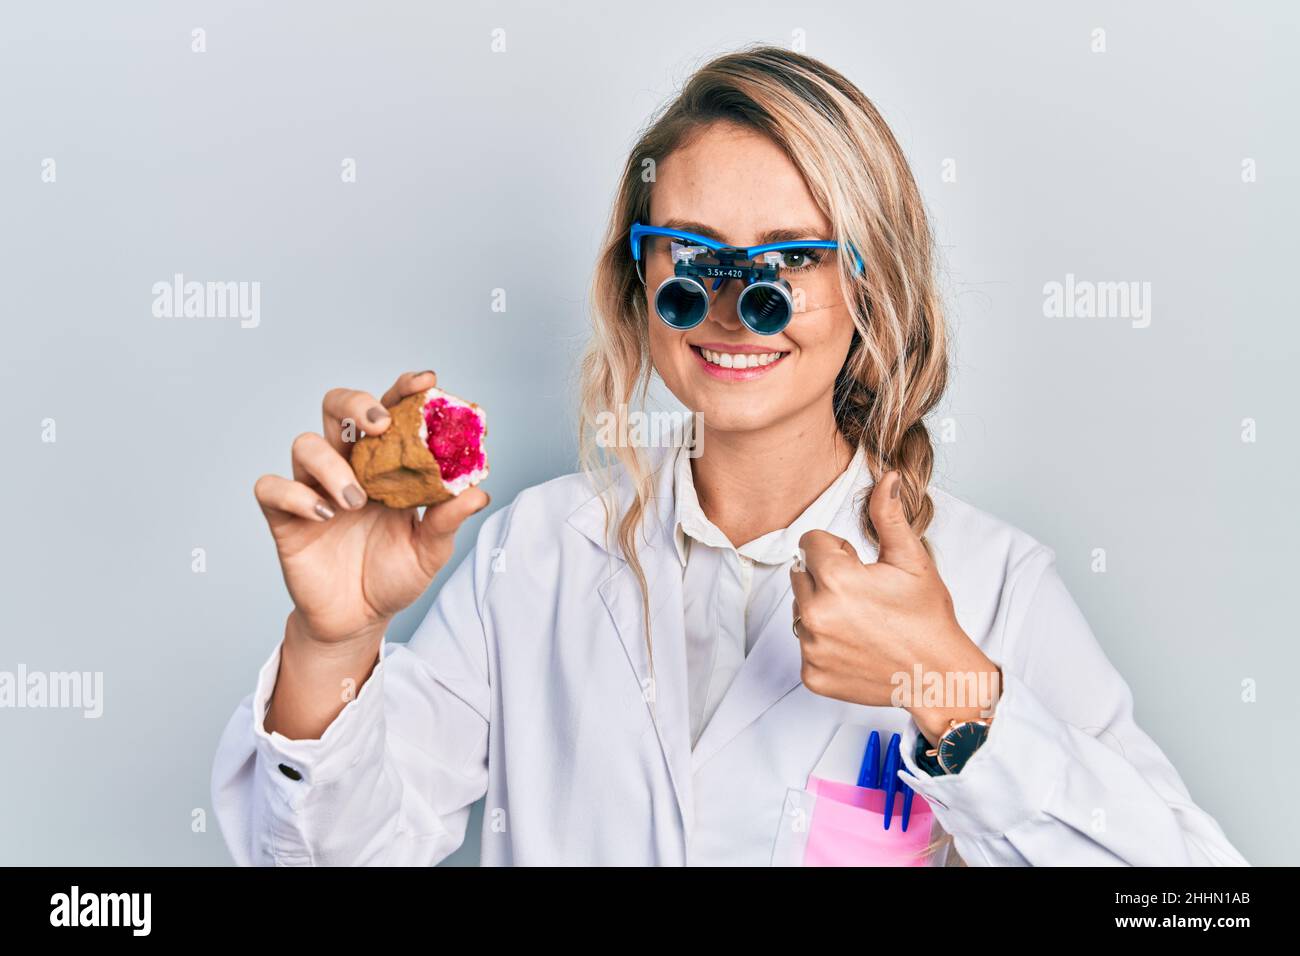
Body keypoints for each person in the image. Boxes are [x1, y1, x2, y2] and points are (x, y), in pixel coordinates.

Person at [211, 46, 1246, 866]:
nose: (731, 307)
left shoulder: (994, 587)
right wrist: (331, 645)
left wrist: (954, 702)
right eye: (691, 256)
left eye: (791, 259)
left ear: (870, 288)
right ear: (639, 279)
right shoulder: (533, 554)